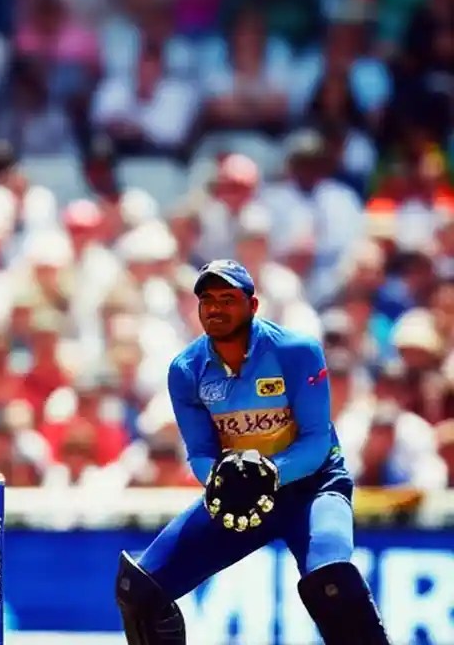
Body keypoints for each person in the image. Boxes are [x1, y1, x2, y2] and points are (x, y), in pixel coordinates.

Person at [114, 260, 390, 645]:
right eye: (206, 300)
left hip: (313, 489)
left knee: (332, 582)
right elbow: (199, 454)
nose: (215, 308)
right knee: (138, 590)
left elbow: (315, 442)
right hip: (239, 496)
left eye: (228, 299)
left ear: (253, 306)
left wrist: (269, 472)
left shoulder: (297, 351)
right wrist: (221, 479)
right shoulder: (186, 369)